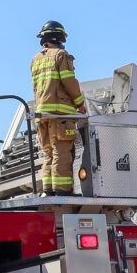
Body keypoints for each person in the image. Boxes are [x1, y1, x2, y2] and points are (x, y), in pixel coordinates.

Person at [31, 20, 85, 195]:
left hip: (42, 114)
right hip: (60, 114)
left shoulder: (35, 60)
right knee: (61, 152)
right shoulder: (61, 55)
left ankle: (48, 190)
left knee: (48, 153)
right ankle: (63, 191)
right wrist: (79, 103)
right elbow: (69, 82)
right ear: (60, 37)